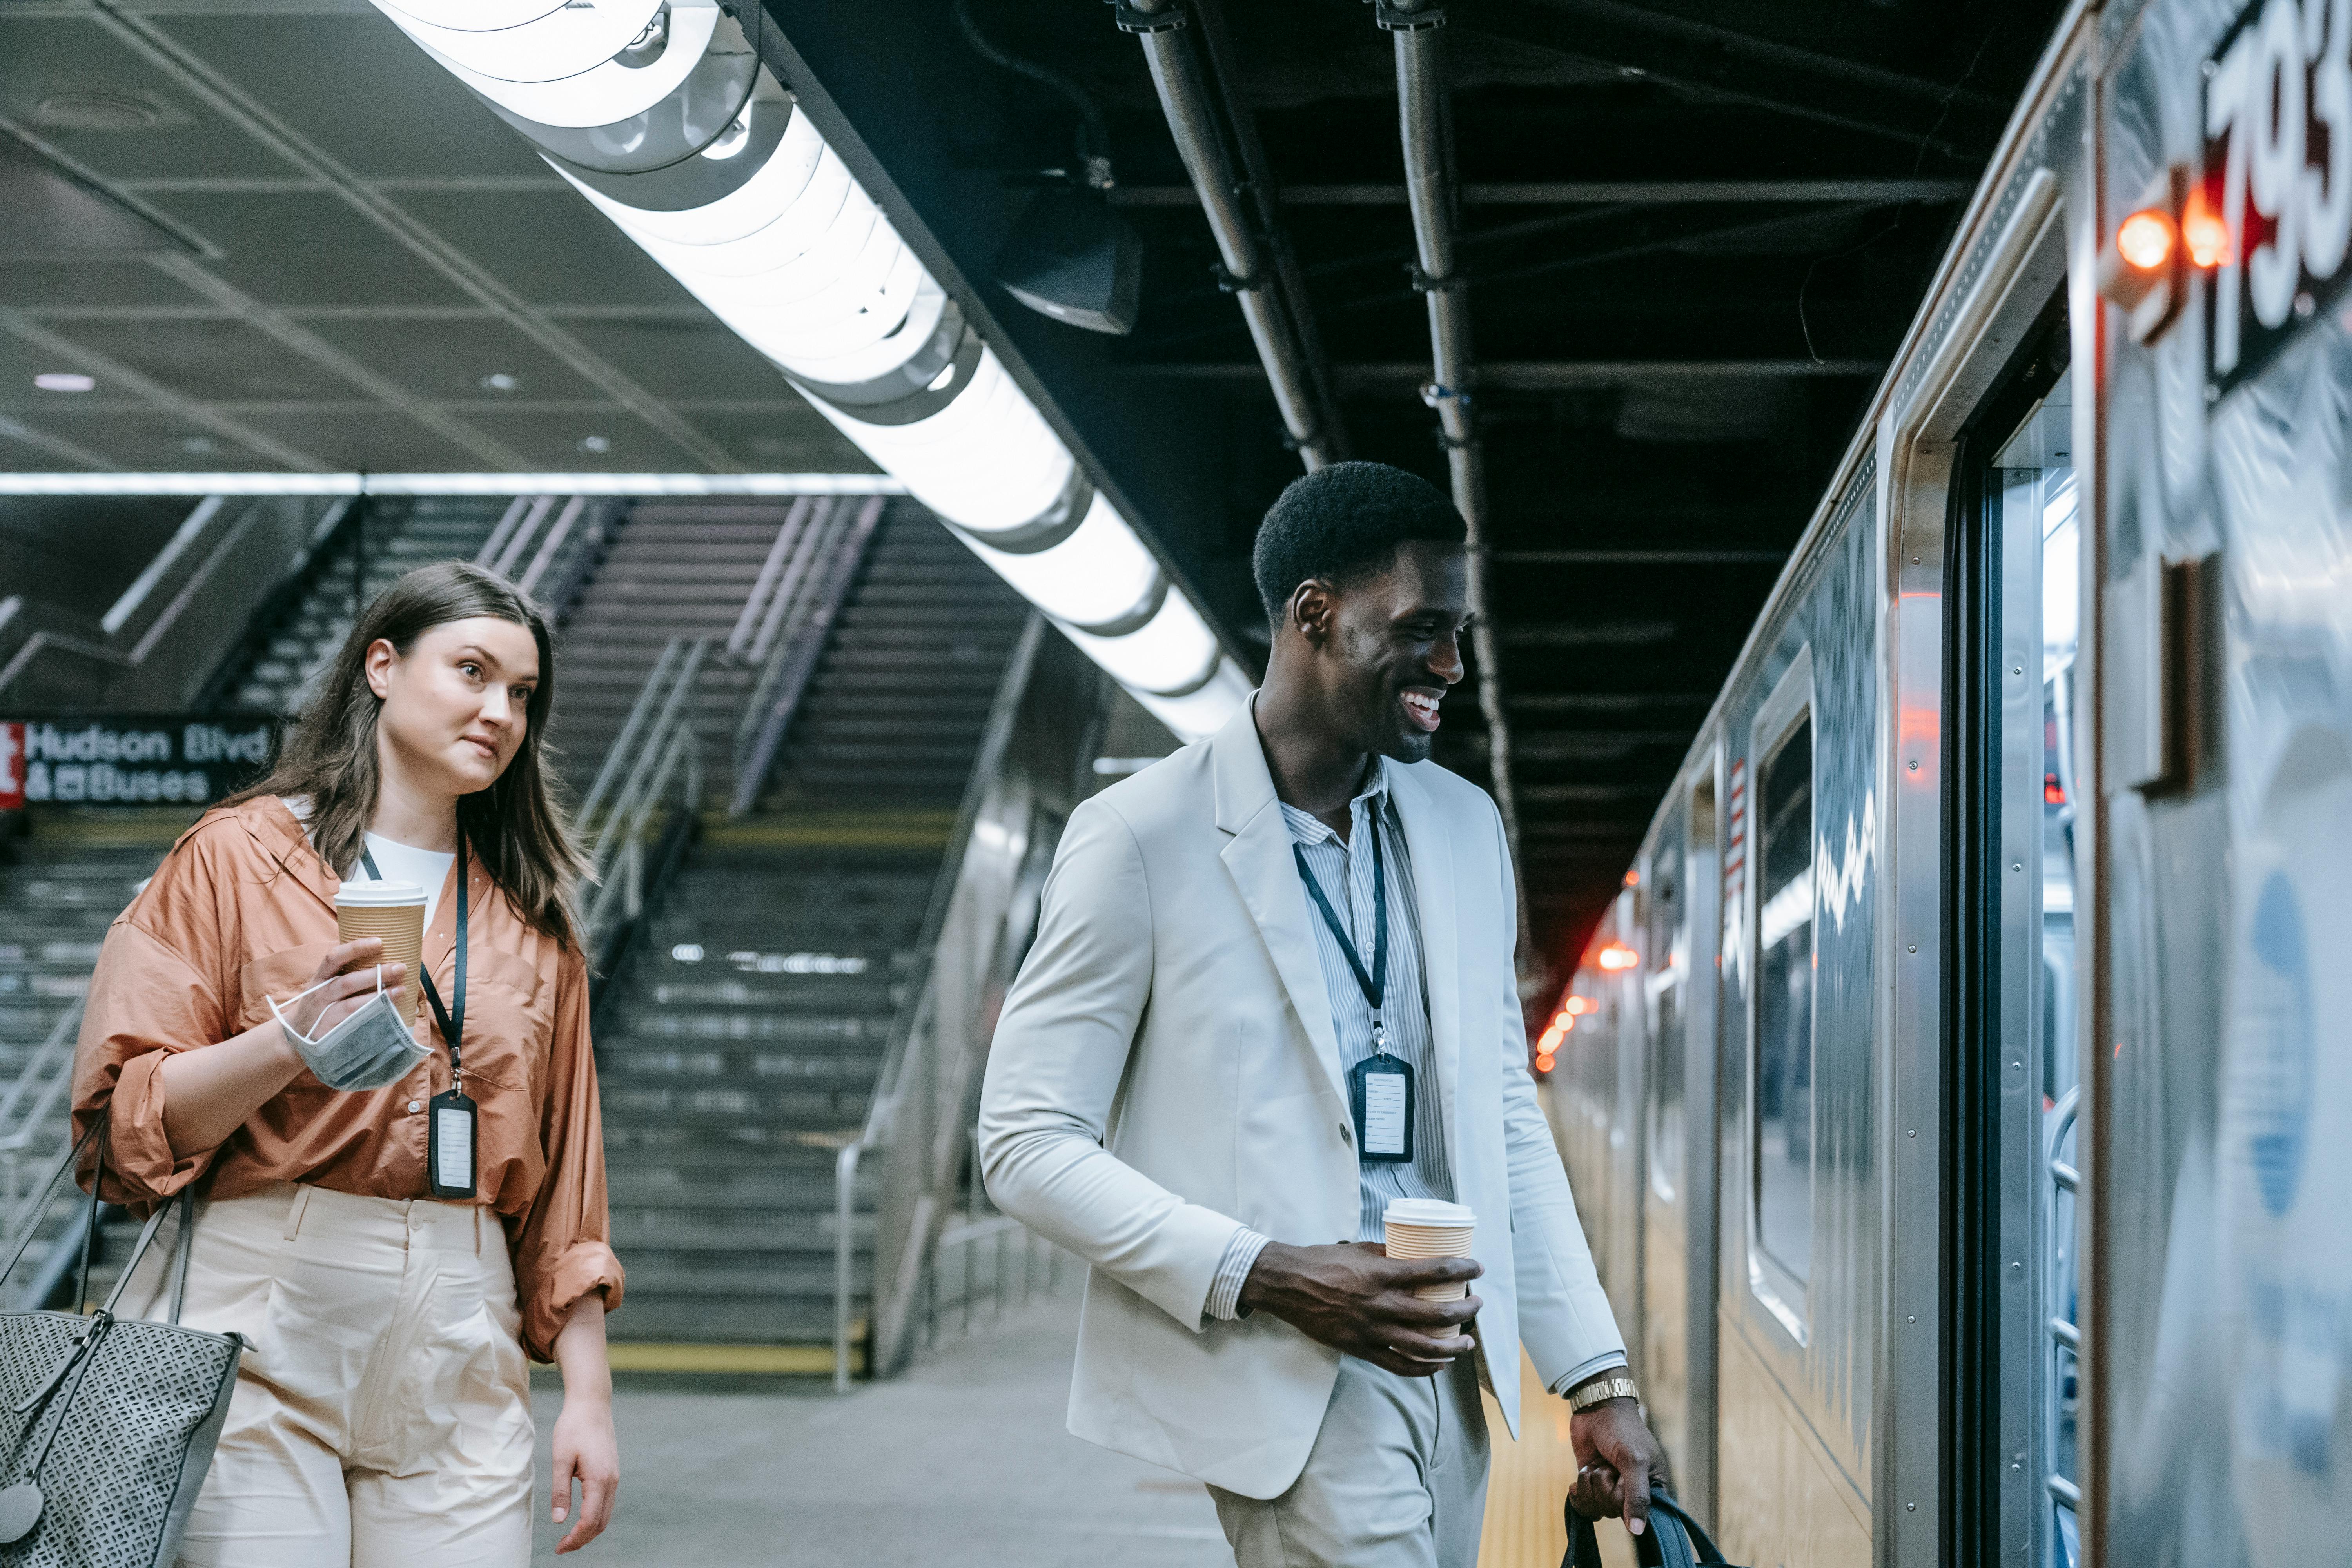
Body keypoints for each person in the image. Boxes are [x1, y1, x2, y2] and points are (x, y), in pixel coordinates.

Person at [979, 462, 1664, 1567]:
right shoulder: (1139, 837)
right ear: (1315, 614)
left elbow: (1501, 1110)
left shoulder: (1462, 825)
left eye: (1459, 634)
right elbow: (1023, 1141)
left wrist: (1595, 1375)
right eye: (1423, 629)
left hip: (1449, 1368)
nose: (1452, 666)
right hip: (1287, 1372)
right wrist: (1270, 1271)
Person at [70, 560, 622, 1566]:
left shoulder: (531, 912)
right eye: (472, 671)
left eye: (522, 693)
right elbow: (122, 1128)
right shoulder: (236, 858)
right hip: (262, 1313)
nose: (500, 712)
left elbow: (566, 1194)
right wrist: (291, 1040)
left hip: (464, 1326)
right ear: (382, 666)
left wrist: (589, 1396)